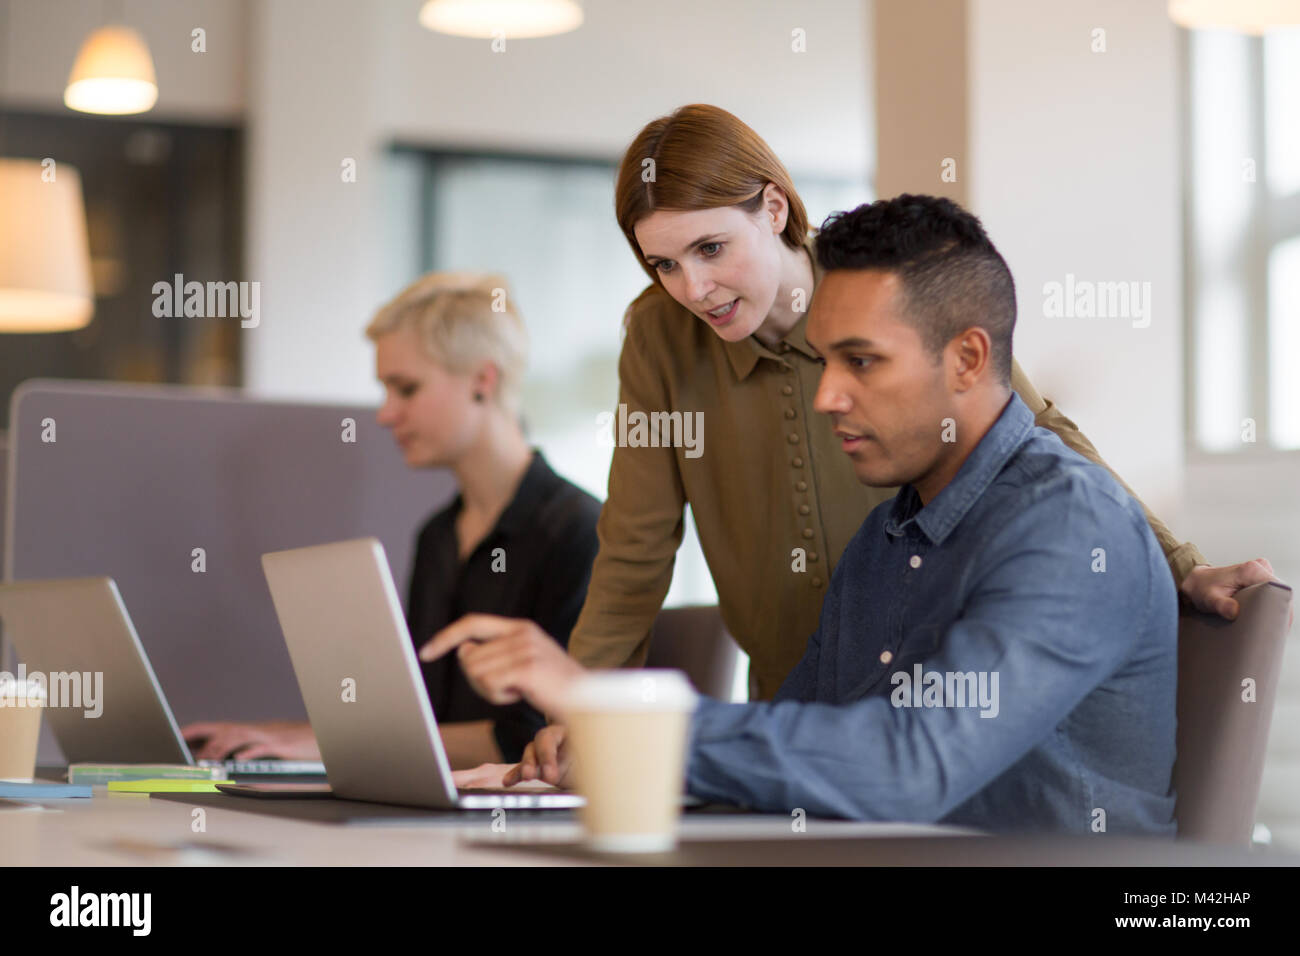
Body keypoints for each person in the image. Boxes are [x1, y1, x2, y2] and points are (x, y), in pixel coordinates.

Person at [493, 103, 1274, 785]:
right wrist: (585, 712)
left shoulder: (886, 289)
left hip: (928, 731)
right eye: (663, 264)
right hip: (800, 715)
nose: (693, 289)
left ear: (772, 208)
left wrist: (1176, 563)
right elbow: (633, 549)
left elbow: (1036, 429)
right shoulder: (665, 342)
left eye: (710, 250)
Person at [425, 196, 1184, 833]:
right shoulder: (885, 538)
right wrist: (606, 757)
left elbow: (909, 767)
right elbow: (797, 752)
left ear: (967, 359)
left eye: (862, 361)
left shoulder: (1067, 529)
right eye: (825, 362)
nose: (827, 397)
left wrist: (616, 711)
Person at [182, 273, 601, 768]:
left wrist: (329, 743)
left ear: (482, 382)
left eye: (406, 389)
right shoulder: (439, 536)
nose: (385, 414)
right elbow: (418, 718)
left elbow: (536, 736)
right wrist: (298, 735)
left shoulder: (581, 531)